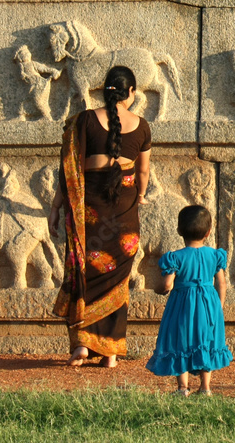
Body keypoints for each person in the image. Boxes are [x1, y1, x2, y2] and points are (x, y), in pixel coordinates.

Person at [49, 65, 152, 368]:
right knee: (117, 283)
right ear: (131, 92)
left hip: (89, 215)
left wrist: (56, 207)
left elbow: (68, 171)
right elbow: (143, 172)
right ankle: (110, 352)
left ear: (104, 89)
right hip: (124, 218)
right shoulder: (143, 126)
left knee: (86, 273)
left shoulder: (84, 121)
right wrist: (141, 196)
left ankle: (82, 346)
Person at [147, 205, 232, 396]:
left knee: (181, 340)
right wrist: (219, 306)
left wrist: (158, 289)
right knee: (205, 340)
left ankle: (182, 388)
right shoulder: (215, 255)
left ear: (179, 230)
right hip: (209, 304)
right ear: (208, 232)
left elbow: (167, 284)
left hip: (182, 304)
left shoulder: (175, 257)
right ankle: (205, 387)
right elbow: (222, 283)